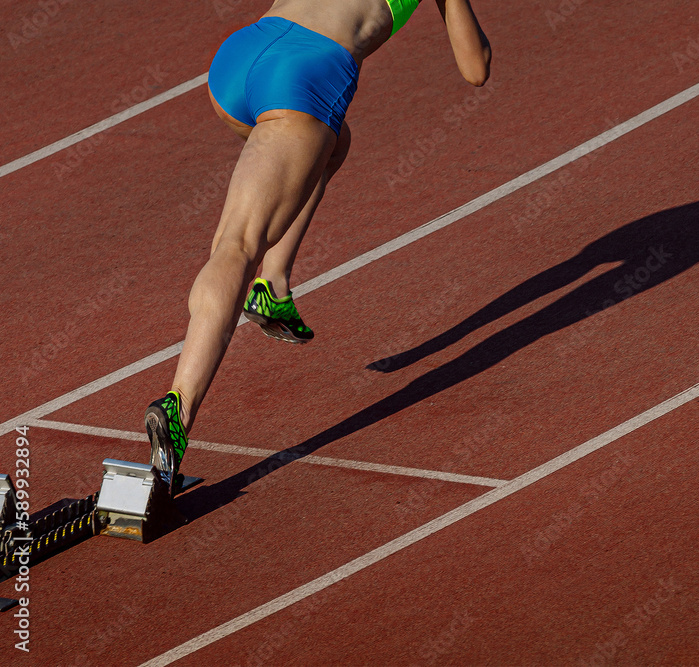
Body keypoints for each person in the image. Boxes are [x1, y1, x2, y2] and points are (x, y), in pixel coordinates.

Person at [144, 0, 491, 495]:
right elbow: (475, 68)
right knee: (237, 245)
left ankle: (275, 283)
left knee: (332, 142)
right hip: (303, 74)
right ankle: (178, 406)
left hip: (242, 57)